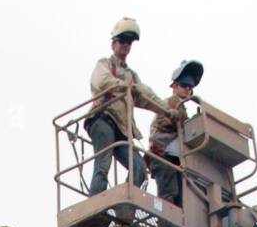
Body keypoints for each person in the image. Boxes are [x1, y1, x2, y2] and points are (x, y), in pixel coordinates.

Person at [87, 18, 172, 196]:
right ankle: (96, 203)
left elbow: (147, 96)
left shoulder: (132, 76)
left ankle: (123, 204)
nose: (126, 45)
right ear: (113, 44)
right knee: (103, 164)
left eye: (129, 42)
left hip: (122, 128)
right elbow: (100, 81)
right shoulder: (105, 64)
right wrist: (124, 86)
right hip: (103, 119)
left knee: (139, 168)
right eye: (122, 40)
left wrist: (168, 110)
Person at [148, 59, 204, 206]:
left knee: (180, 198)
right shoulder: (172, 103)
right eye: (184, 85)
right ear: (174, 86)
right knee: (169, 196)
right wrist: (184, 120)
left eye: (190, 88)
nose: (188, 90)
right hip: (163, 157)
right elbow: (164, 123)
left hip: (174, 159)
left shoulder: (180, 106)